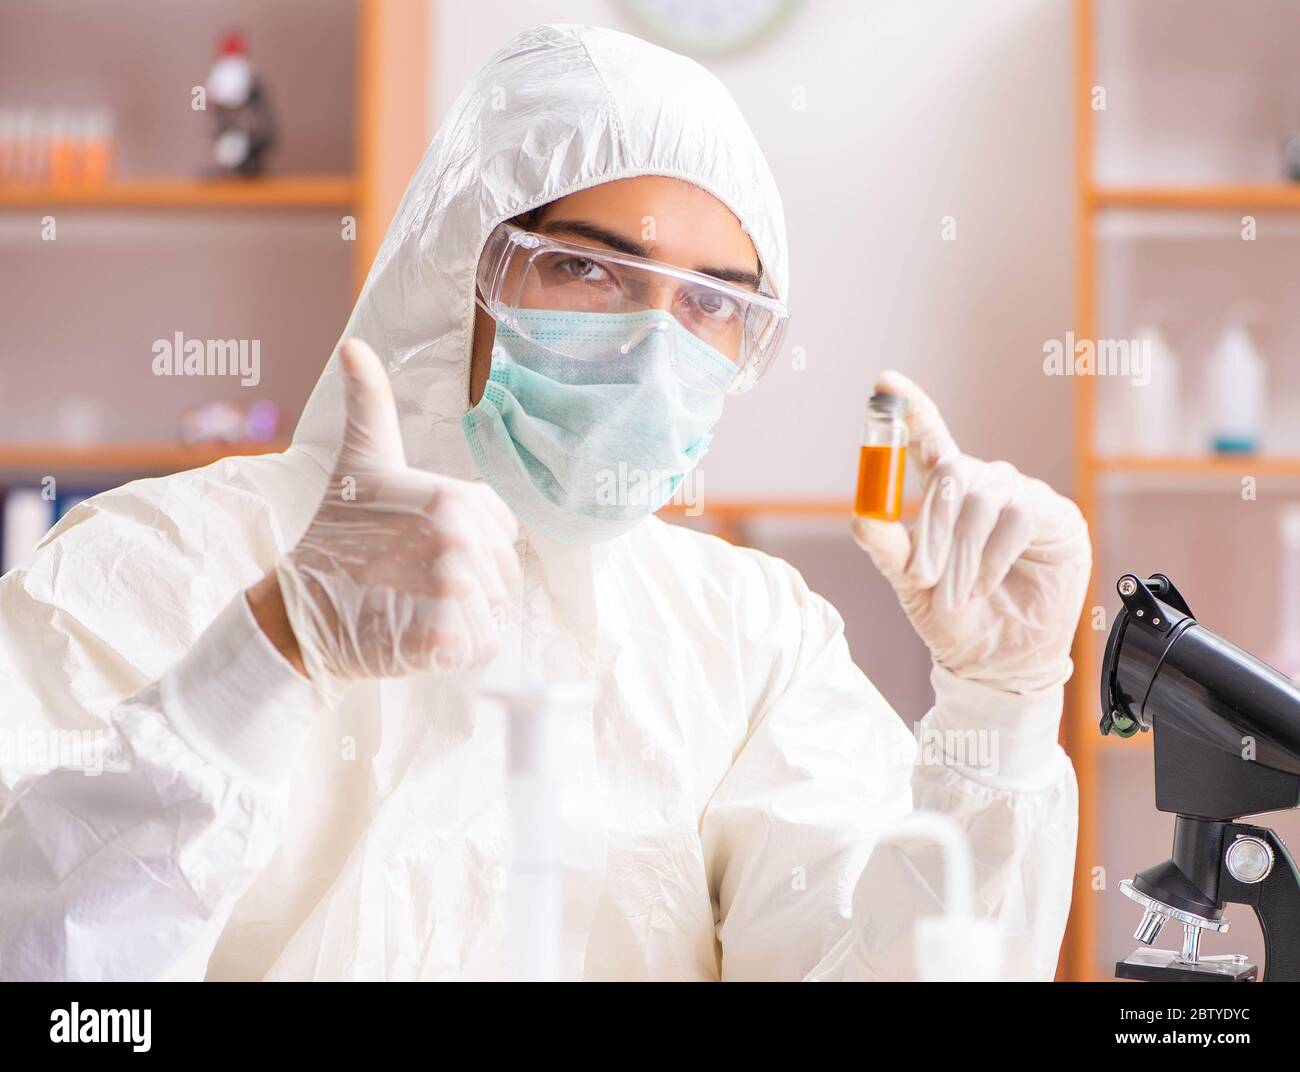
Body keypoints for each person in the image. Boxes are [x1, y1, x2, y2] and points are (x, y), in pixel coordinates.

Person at [0, 24, 1089, 981]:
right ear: (454, 270)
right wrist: (270, 654)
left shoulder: (750, 638)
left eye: (712, 305)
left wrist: (999, 709)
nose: (655, 348)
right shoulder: (151, 567)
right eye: (589, 271)